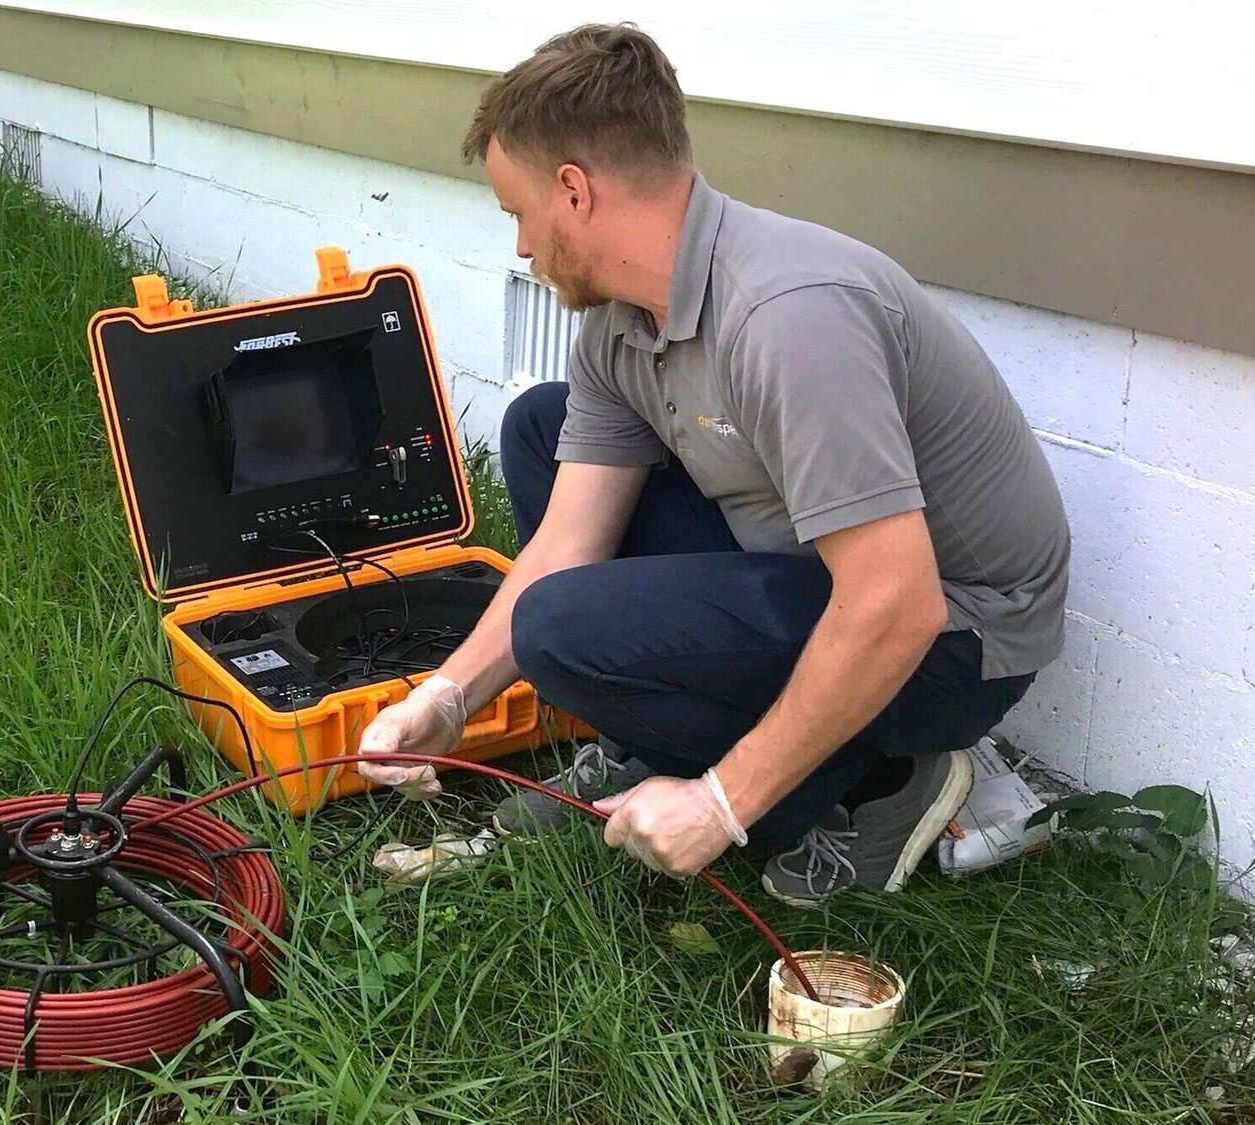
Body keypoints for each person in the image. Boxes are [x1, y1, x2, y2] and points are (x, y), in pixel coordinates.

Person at [356, 22, 1070, 905]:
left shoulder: (788, 318)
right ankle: (663, 746)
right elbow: (568, 538)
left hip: (953, 640)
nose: (520, 248)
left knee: (557, 630)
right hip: (828, 573)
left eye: (518, 212)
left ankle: (875, 783)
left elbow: (898, 601)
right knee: (541, 430)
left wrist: (721, 804)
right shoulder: (620, 323)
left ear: (573, 191)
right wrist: (448, 696)